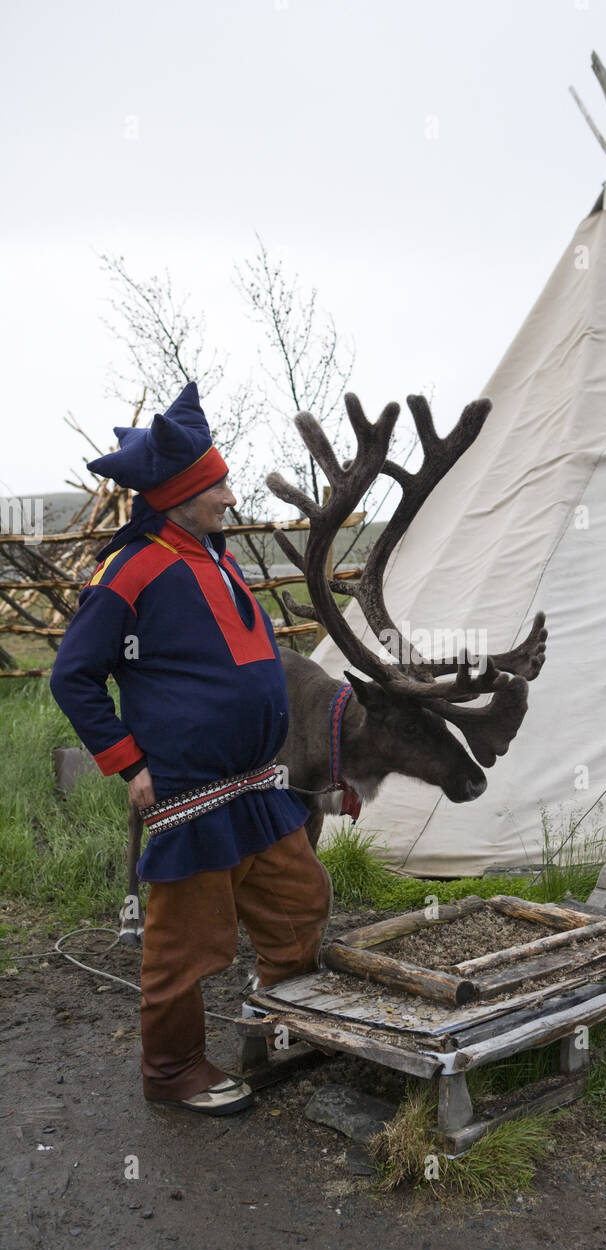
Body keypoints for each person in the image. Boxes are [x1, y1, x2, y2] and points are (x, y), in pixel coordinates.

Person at [50, 380, 332, 1115]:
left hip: (254, 785)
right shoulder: (131, 570)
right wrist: (129, 763)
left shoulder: (213, 554)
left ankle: (279, 1027)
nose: (231, 499)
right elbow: (73, 677)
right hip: (188, 791)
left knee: (299, 903)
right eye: (219, 487)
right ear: (178, 493)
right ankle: (172, 1070)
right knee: (190, 943)